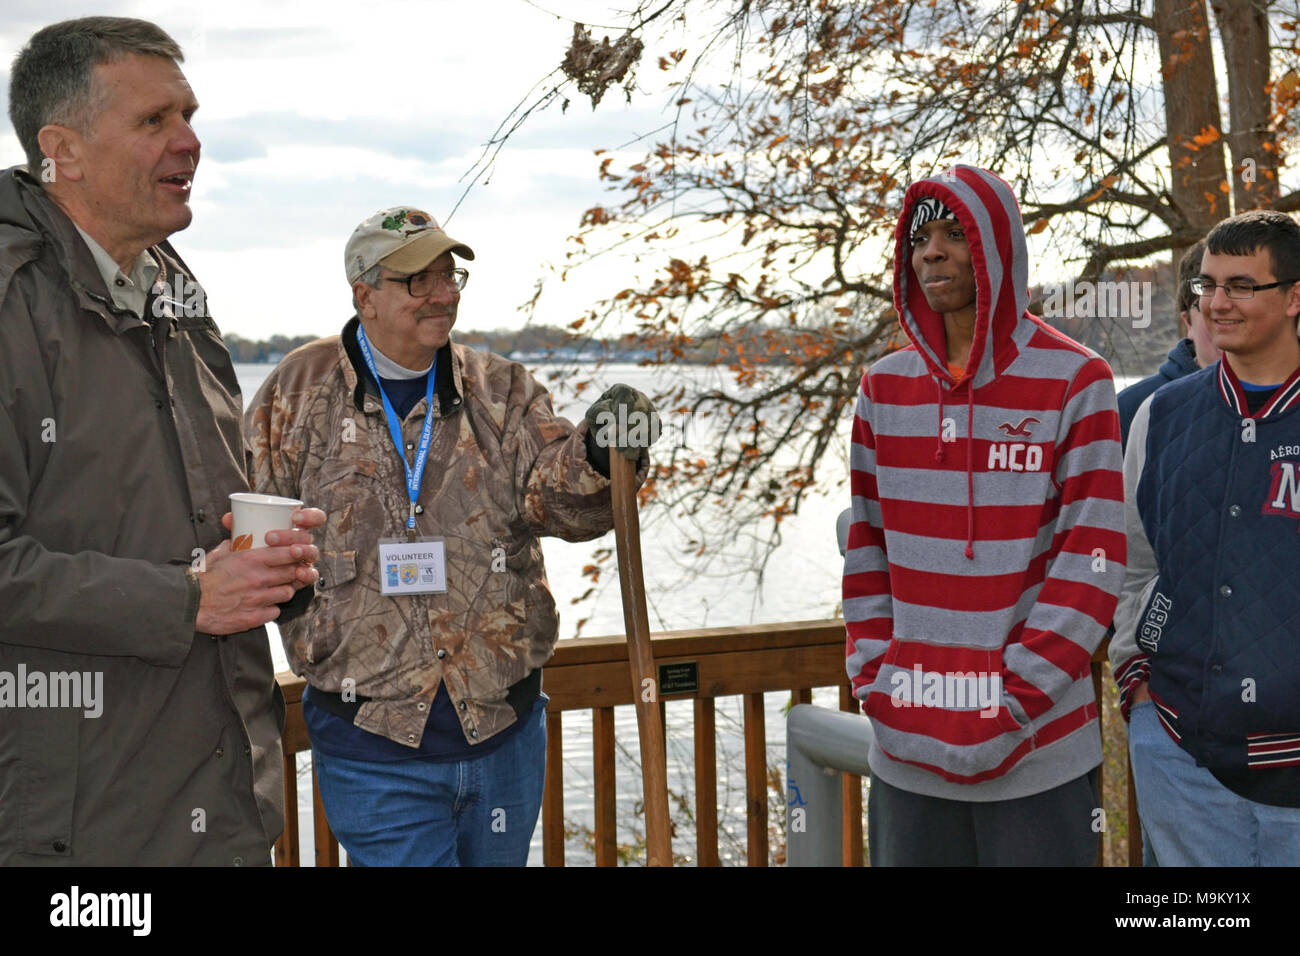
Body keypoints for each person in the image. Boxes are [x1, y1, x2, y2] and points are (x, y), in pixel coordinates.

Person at [0, 17, 323, 865]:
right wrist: (187, 598)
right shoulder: (8, 304)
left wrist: (269, 571)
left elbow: (192, 525)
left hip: (222, 807)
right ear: (61, 148)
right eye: (154, 121)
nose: (191, 141)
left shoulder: (179, 296)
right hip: (73, 834)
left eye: (189, 114)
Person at [244, 205, 657, 866]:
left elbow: (562, 503)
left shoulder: (503, 389)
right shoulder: (296, 393)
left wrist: (601, 455)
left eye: (448, 274)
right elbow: (246, 524)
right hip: (372, 747)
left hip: (504, 736)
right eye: (418, 280)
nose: (443, 293)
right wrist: (287, 598)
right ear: (364, 295)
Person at [842, 165, 1126, 866]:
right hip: (905, 751)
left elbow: (1091, 561)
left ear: (997, 247)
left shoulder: (1076, 381)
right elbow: (865, 551)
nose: (931, 251)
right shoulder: (883, 388)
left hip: (1037, 755)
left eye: (953, 234)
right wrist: (879, 684)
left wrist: (1015, 700)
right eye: (919, 237)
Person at [1110, 209, 1300, 866]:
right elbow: (1133, 564)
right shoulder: (1161, 415)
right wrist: (1135, 682)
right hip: (1181, 757)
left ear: (1296, 295)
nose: (1218, 302)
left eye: (1243, 285)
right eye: (1209, 286)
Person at [1116, 239, 1220, 448]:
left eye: (1242, 290)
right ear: (1187, 322)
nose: (1226, 313)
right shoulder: (1131, 409)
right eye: (1209, 310)